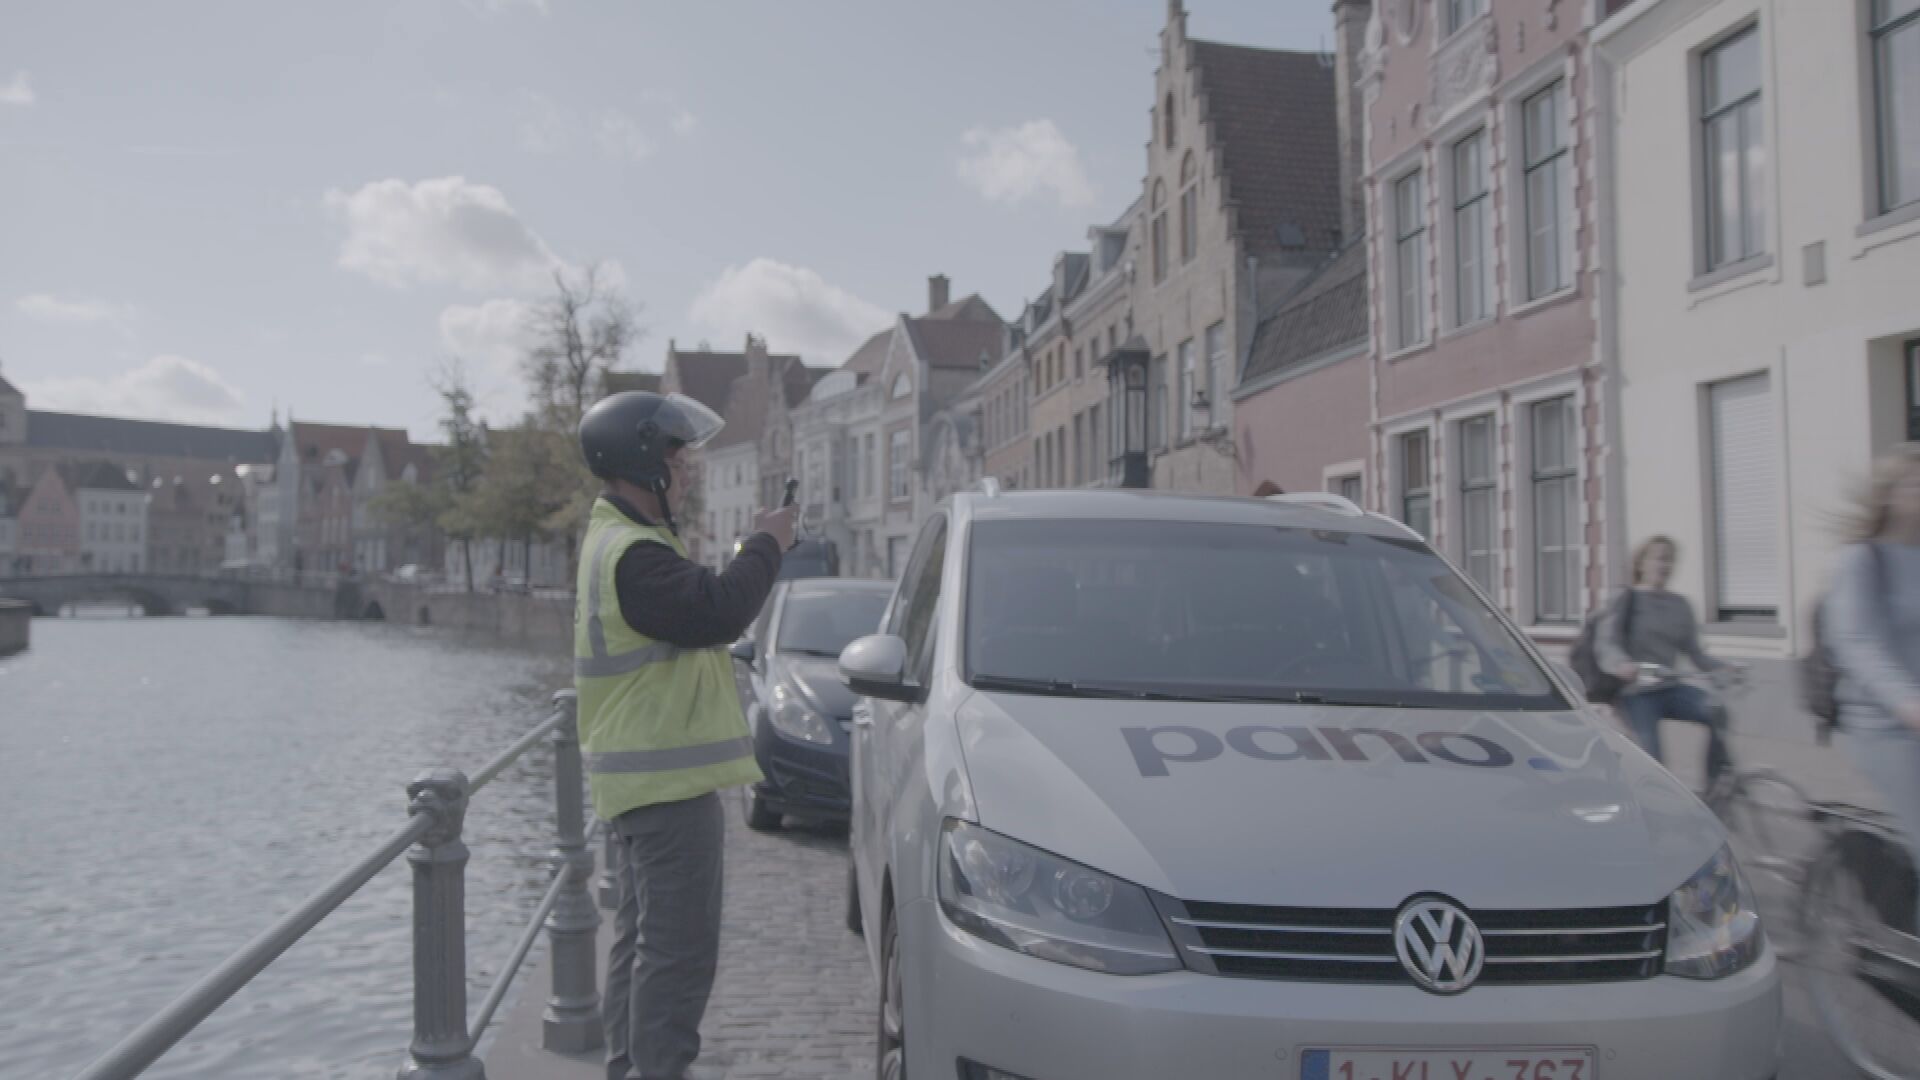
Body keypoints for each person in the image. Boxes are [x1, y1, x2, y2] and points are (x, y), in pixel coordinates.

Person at [574, 390, 797, 1080]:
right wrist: (768, 541)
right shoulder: (636, 555)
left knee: (640, 945)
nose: (688, 468)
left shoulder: (620, 541)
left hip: (638, 781)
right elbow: (720, 609)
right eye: (678, 453)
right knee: (678, 954)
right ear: (644, 461)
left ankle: (630, 1068)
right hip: (664, 789)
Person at [1825, 443, 1920, 934]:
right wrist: (1907, 703)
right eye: (1914, 482)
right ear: (1889, 495)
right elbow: (1857, 641)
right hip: (1881, 726)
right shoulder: (1862, 560)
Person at [1596, 535, 1738, 786]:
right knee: (1654, 760)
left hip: (1670, 687)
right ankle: (1652, 809)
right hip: (1636, 692)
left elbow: (1695, 652)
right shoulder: (1627, 599)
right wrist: (1621, 664)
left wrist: (1723, 667)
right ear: (1642, 563)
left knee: (1716, 709)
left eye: (1670, 560)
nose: (1665, 566)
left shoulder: (1680, 605)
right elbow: (1607, 643)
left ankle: (1716, 789)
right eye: (1659, 558)